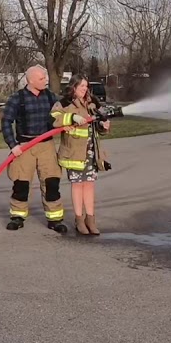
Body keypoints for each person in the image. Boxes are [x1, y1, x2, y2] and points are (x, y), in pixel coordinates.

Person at [0, 65, 66, 233]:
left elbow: (65, 113)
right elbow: (6, 122)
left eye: (45, 77)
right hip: (24, 146)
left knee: (51, 182)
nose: (46, 80)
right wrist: (13, 145)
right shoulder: (17, 98)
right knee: (21, 183)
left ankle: (55, 219)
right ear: (31, 80)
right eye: (42, 78)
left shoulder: (51, 97)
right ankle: (17, 216)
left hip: (46, 145)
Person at [51, 74, 111, 236]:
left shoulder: (93, 103)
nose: (85, 89)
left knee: (89, 185)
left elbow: (99, 123)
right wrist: (71, 117)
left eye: (86, 86)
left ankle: (90, 220)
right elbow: (54, 119)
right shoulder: (64, 103)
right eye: (81, 86)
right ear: (74, 87)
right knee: (77, 185)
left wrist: (104, 126)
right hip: (74, 152)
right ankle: (79, 220)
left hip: (91, 152)